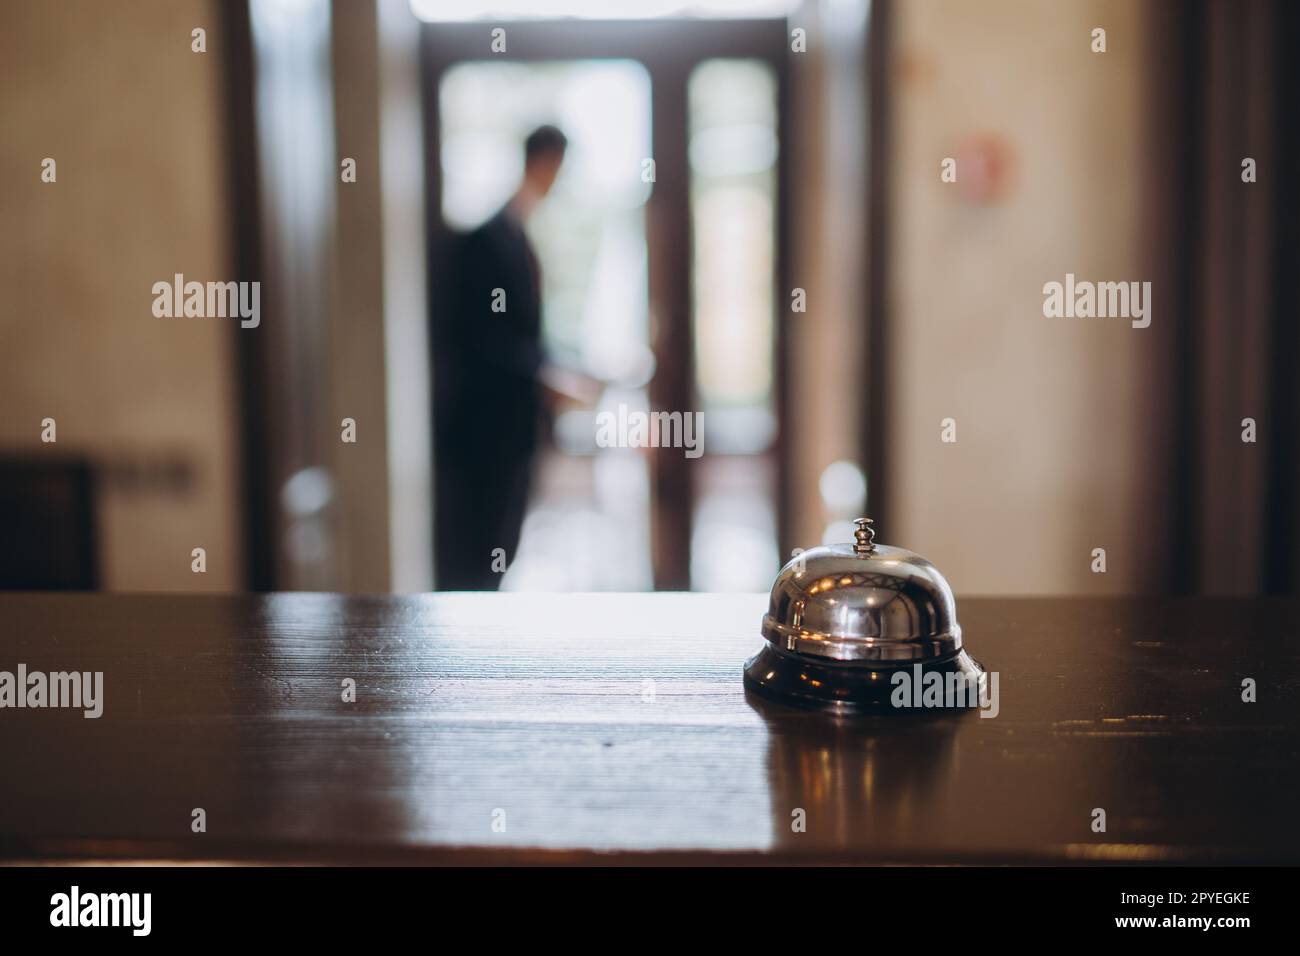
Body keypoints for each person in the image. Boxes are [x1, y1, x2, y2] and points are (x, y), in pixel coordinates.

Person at [432, 125, 569, 589]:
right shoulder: (489, 241)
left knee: (502, 551)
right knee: (480, 558)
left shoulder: (515, 236)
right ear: (545, 162)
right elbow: (481, 342)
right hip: (486, 436)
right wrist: (542, 379)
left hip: (511, 434)